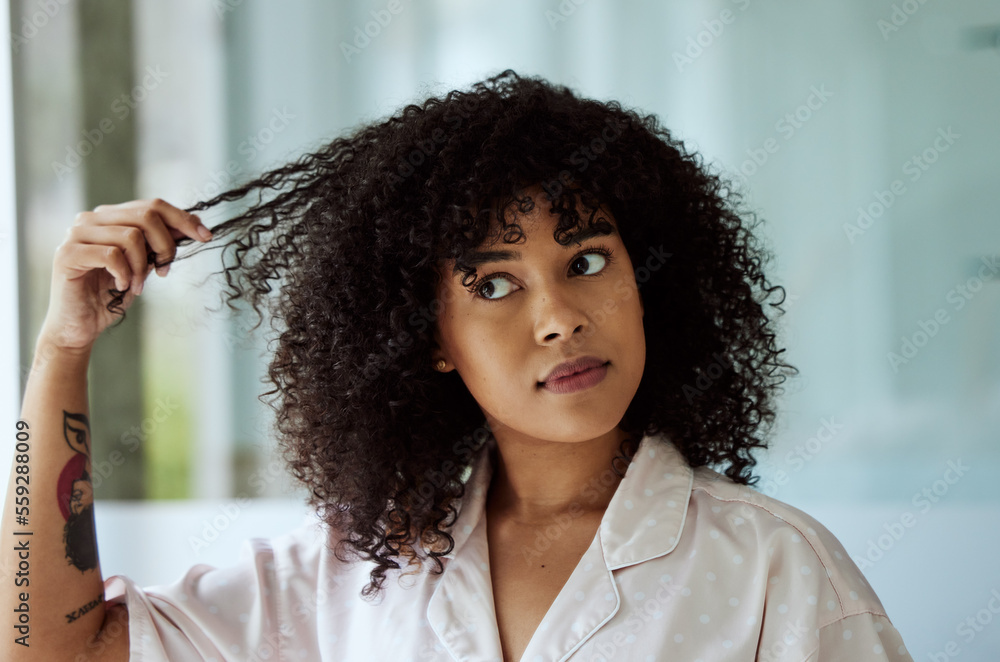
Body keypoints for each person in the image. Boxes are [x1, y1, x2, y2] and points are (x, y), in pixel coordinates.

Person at [1, 69, 914, 661]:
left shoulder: (774, 569)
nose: (559, 319)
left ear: (648, 283)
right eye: (493, 284)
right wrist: (60, 354)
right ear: (429, 337)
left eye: (588, 262)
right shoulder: (357, 568)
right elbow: (53, 651)